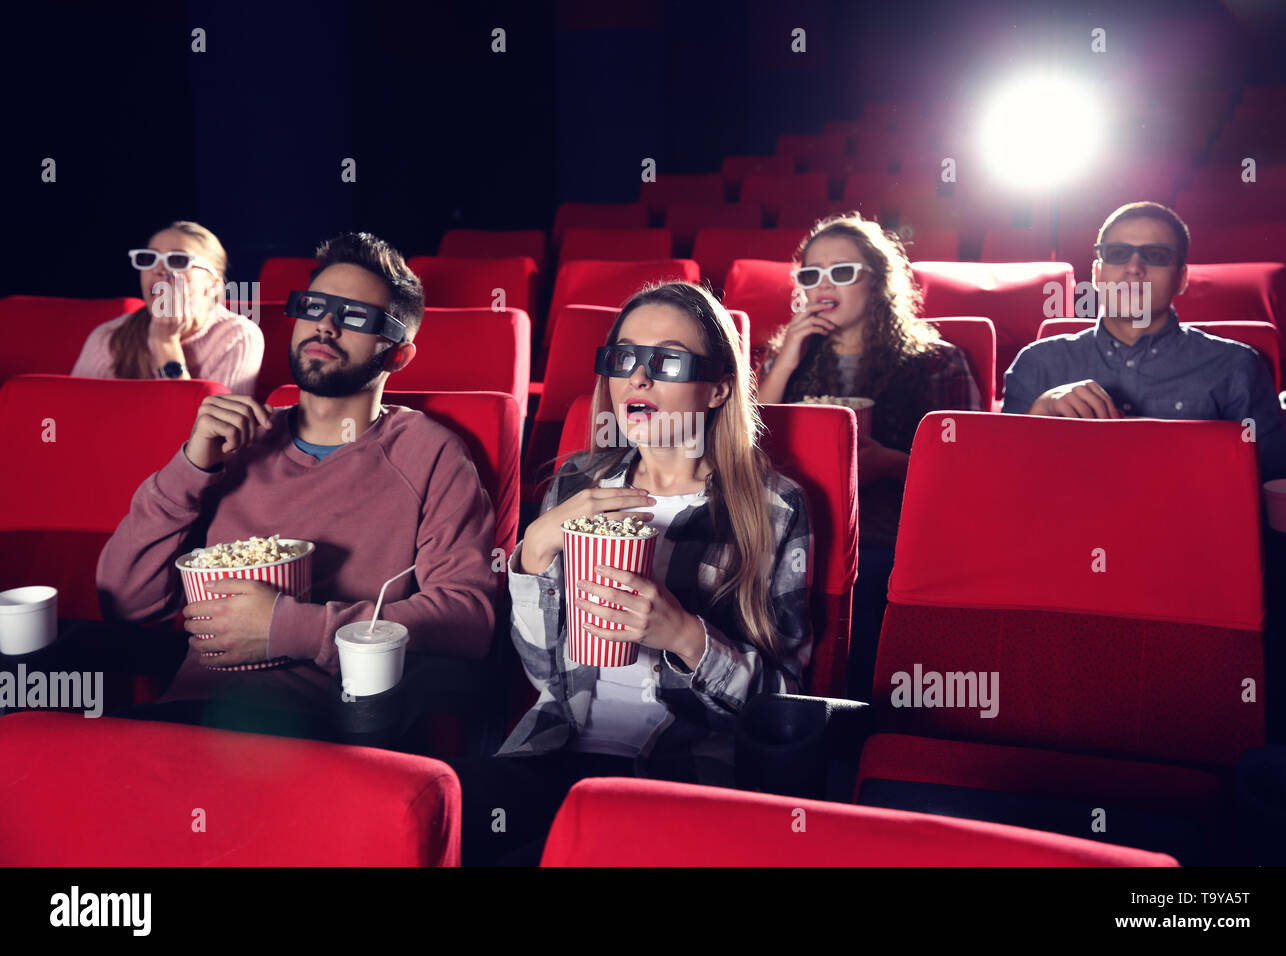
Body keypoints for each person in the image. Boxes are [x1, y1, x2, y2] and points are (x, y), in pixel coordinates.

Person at [448, 281, 814, 866]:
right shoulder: (576, 484)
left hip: (688, 769)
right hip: (554, 750)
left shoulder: (773, 507)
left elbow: (785, 704)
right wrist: (535, 551)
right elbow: (544, 674)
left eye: (666, 360)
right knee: (441, 825)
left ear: (719, 388)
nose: (638, 379)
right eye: (624, 358)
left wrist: (686, 638)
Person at [95, 232, 497, 722]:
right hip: (184, 715)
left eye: (353, 316)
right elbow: (126, 602)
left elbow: (466, 619)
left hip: (325, 728)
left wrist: (291, 627)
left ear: (397, 354)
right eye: (314, 307)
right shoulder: (234, 442)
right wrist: (191, 467)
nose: (324, 326)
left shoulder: (429, 452)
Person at [756, 213, 980, 699]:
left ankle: (851, 723)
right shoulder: (789, 359)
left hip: (890, 534)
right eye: (811, 273)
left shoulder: (939, 362)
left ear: (878, 281)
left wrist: (891, 462)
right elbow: (749, 442)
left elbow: (970, 472)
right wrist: (786, 359)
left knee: (869, 578)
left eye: (842, 271)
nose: (823, 285)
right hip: (796, 528)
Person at [1002, 201, 1286, 481]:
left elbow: (1280, 488)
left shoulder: (1237, 367)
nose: (1134, 268)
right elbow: (1000, 483)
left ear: (1182, 279)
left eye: (1155, 255)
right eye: (1117, 253)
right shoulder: (1036, 364)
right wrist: (1037, 416)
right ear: (1096, 273)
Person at [71, 221, 263, 394]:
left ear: (212, 285)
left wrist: (165, 341)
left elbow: (217, 431)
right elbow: (73, 416)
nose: (158, 270)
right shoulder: (110, 336)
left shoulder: (239, 336)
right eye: (149, 259)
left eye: (178, 260)